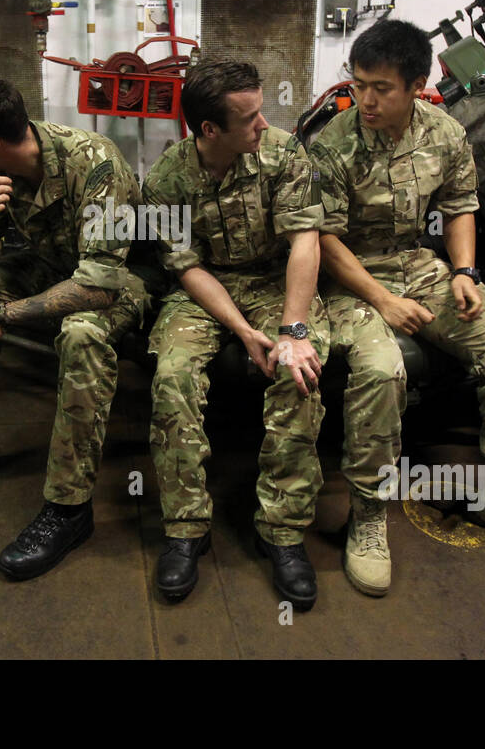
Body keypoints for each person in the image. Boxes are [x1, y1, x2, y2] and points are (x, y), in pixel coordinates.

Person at [308, 19, 485, 598]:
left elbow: (459, 206)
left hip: (418, 266)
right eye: (358, 84)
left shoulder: (446, 133)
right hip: (351, 278)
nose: (366, 99)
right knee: (383, 370)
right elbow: (323, 241)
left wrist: (463, 272)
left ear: (415, 85)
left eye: (381, 87)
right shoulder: (334, 143)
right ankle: (369, 513)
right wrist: (383, 300)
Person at [0, 79, 151, 581]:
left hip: (120, 284)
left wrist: (7, 315)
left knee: (80, 333)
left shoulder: (95, 163)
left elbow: (99, 287)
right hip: (52, 269)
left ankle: (69, 508)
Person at [142, 60, 328, 610]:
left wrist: (291, 330)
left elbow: (304, 242)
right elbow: (187, 268)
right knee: (172, 374)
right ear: (208, 131)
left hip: (277, 283)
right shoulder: (166, 179)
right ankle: (185, 526)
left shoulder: (285, 153)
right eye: (248, 118)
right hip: (205, 290)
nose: (263, 125)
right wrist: (243, 330)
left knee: (297, 372)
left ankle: (283, 530)